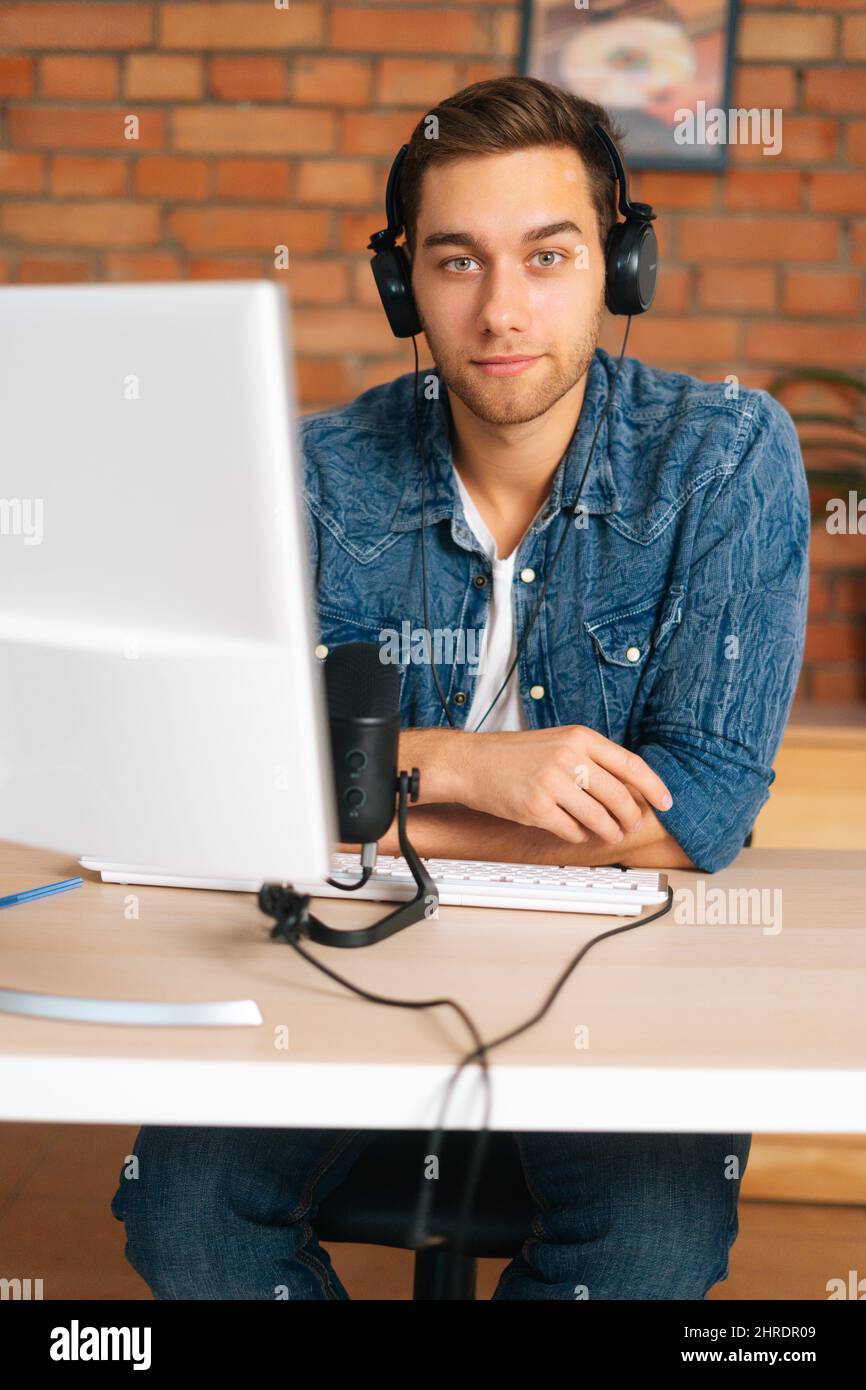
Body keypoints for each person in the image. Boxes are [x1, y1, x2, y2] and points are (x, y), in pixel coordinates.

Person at [112, 75, 809, 1300]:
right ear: (402, 287)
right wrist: (471, 763)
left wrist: (363, 804)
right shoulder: (318, 475)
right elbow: (242, 772)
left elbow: (697, 807)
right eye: (455, 262)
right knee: (183, 1215)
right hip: (342, 953)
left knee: (649, 1249)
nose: (500, 310)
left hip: (609, 970)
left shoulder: (725, 458)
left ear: (618, 266)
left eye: (547, 256)